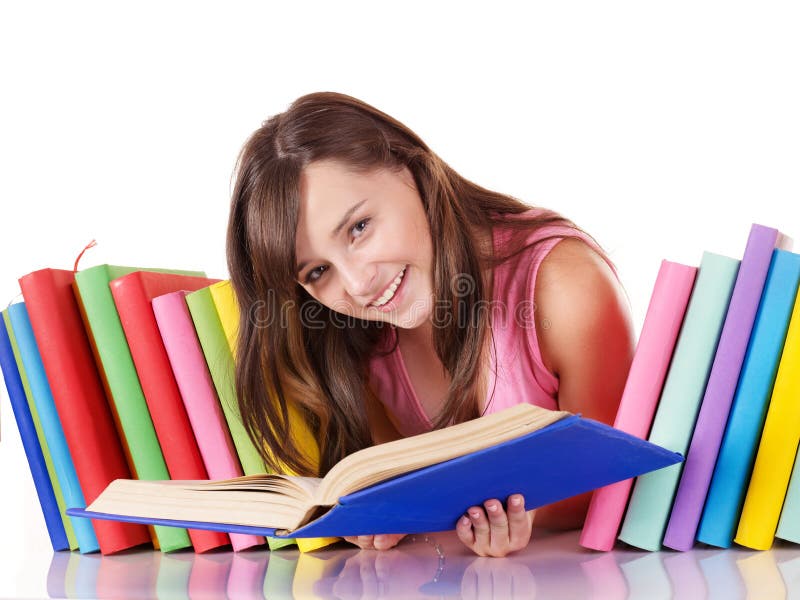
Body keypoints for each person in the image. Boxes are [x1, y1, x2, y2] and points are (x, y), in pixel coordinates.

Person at [226, 92, 635, 557]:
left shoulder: (563, 284)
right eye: (318, 272)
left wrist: (510, 512)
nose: (359, 284)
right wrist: (386, 513)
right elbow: (400, 481)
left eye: (359, 228)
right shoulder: (351, 336)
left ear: (410, 167)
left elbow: (617, 481)